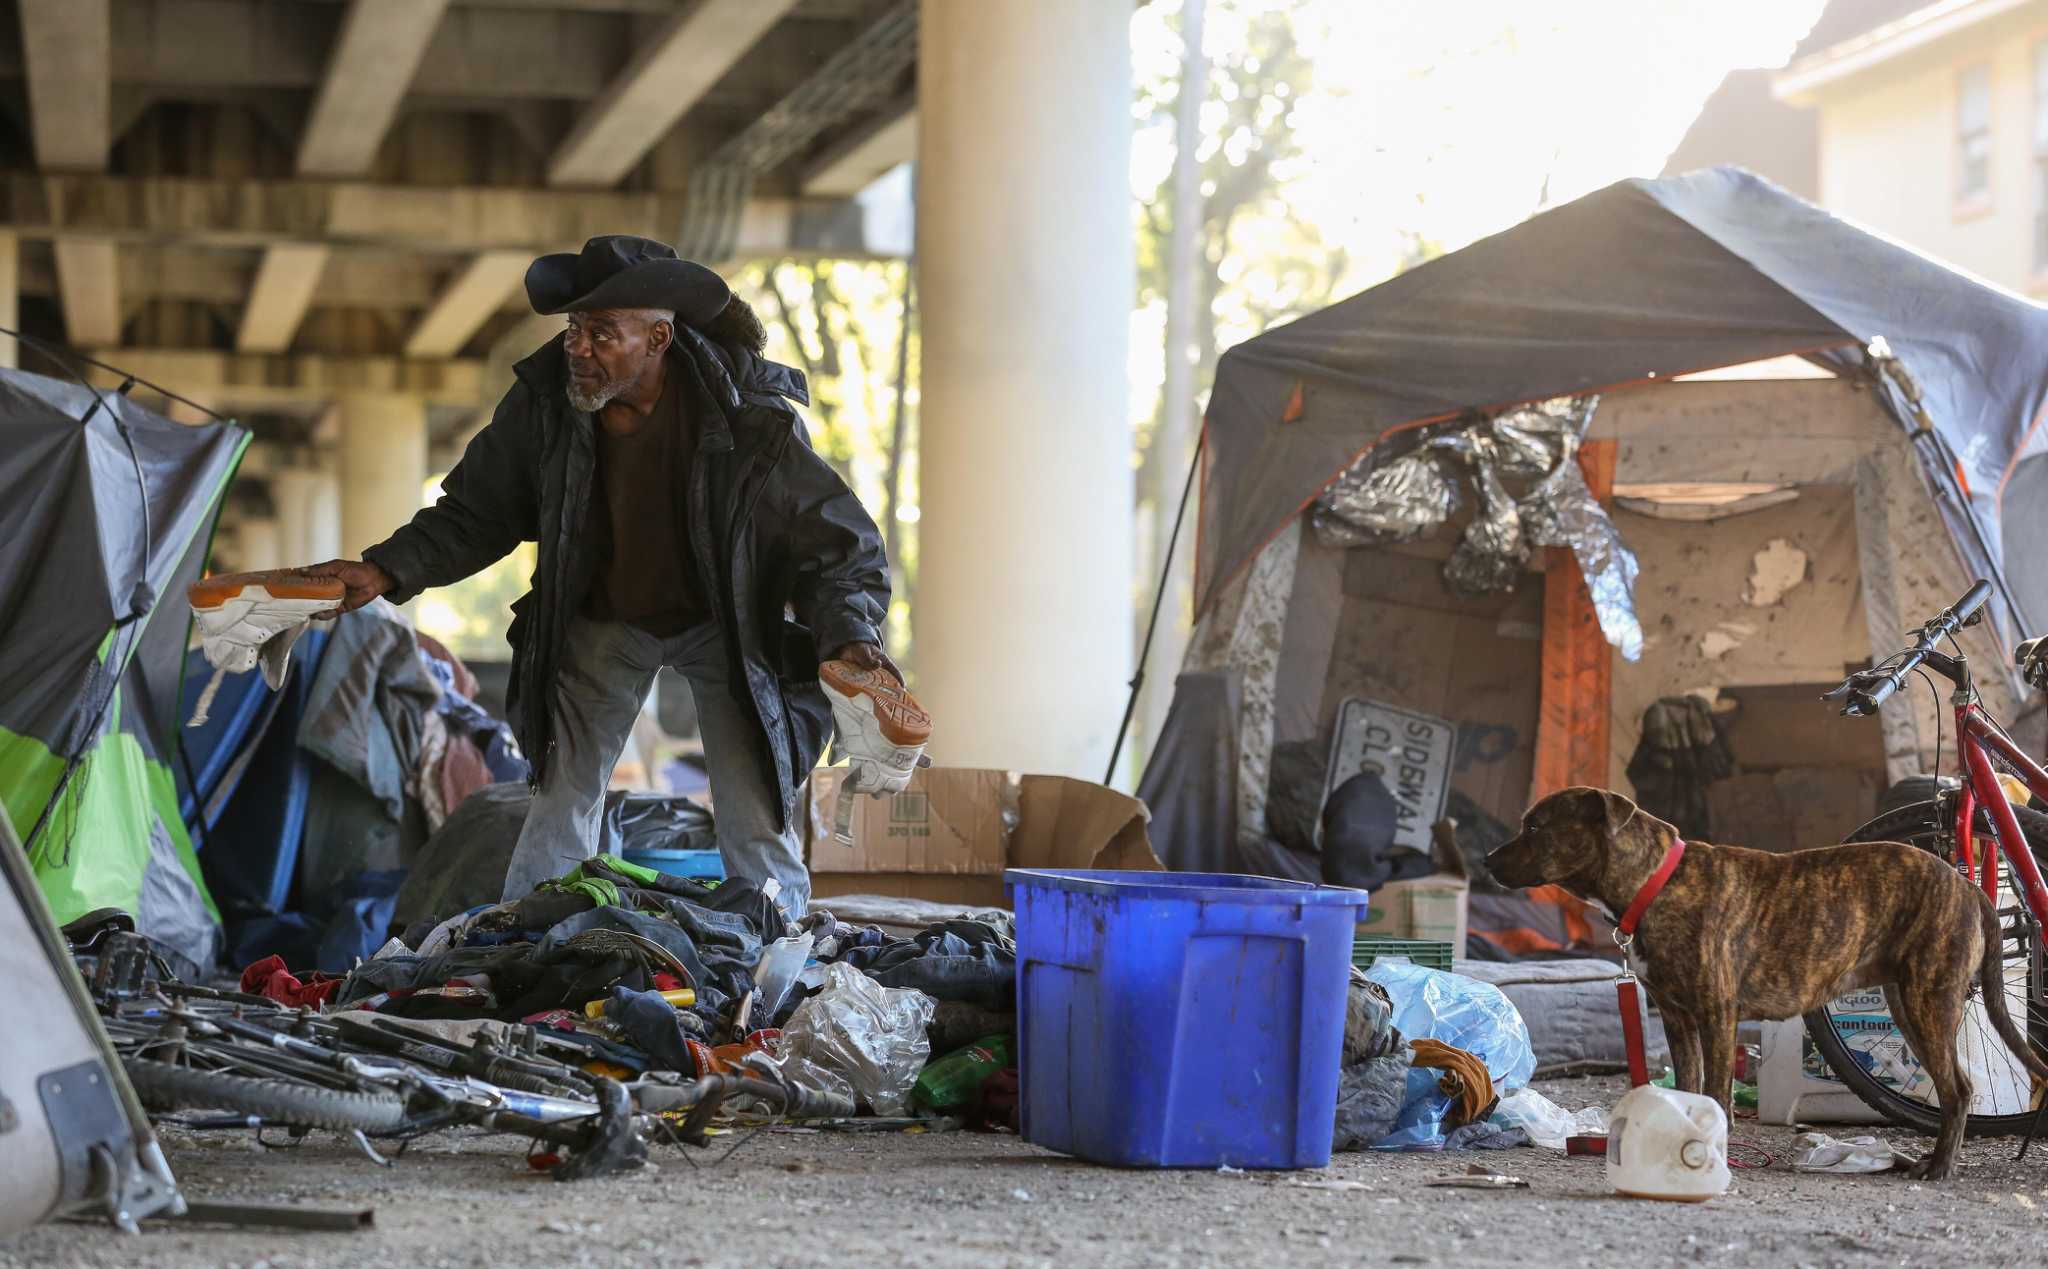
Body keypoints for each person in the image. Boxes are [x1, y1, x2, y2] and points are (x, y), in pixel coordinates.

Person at [304, 235, 892, 915]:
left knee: (755, 808)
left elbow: (839, 543)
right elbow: (475, 513)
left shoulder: (749, 418)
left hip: (726, 626)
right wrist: (384, 569)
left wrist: (851, 639)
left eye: (602, 333)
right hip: (604, 618)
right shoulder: (544, 404)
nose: (578, 347)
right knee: (560, 800)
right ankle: (526, 941)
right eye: (575, 328)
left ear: (658, 339)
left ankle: (775, 948)